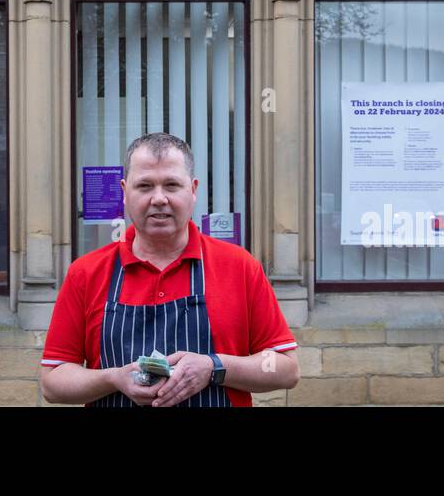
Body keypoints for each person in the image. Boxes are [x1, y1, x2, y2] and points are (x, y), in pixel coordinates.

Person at [40, 132, 300, 407]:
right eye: (145, 186)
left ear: (193, 190)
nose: (159, 199)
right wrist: (113, 378)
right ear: (125, 192)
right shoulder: (87, 272)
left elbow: (285, 368)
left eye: (172, 185)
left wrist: (214, 367)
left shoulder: (239, 266)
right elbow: (53, 381)